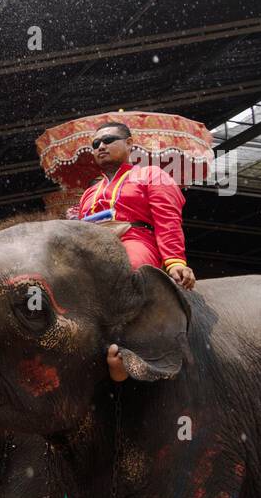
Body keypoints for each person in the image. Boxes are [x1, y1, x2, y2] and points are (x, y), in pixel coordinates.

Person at [67, 121, 197, 382]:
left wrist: (174, 261)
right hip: (91, 247)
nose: (101, 146)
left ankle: (127, 352)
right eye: (95, 144)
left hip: (135, 238)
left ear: (130, 144)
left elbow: (167, 221)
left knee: (127, 272)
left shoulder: (152, 175)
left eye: (109, 140)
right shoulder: (89, 192)